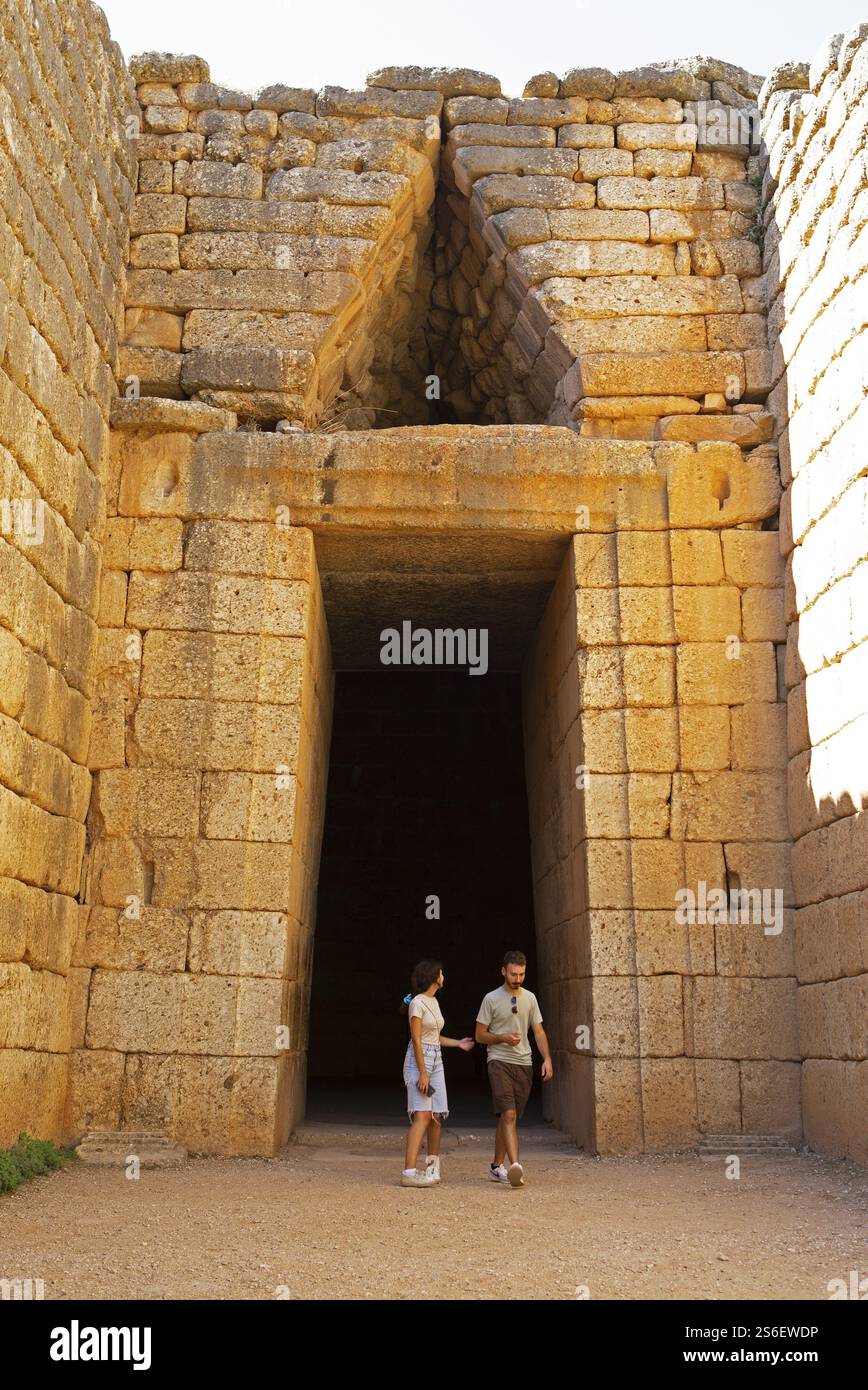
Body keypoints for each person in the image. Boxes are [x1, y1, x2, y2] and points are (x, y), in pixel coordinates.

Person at [475, 950, 553, 1187]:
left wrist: (547, 1059)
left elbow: (538, 1031)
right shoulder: (490, 999)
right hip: (498, 1061)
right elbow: (479, 1035)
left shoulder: (530, 998)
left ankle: (496, 1166)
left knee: (507, 1116)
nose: (517, 978)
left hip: (524, 1063)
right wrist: (502, 1038)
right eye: (513, 974)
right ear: (503, 972)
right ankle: (515, 1166)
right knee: (508, 1114)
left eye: (521, 974)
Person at [400, 959, 474, 1187]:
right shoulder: (418, 1003)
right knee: (422, 1116)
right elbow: (417, 1039)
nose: (444, 977)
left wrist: (458, 1044)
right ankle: (409, 1173)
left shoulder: (434, 1002)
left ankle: (432, 1168)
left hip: (437, 1060)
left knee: (436, 1117)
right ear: (434, 977)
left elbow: (435, 1038)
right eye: (442, 973)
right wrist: (423, 1073)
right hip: (418, 1061)